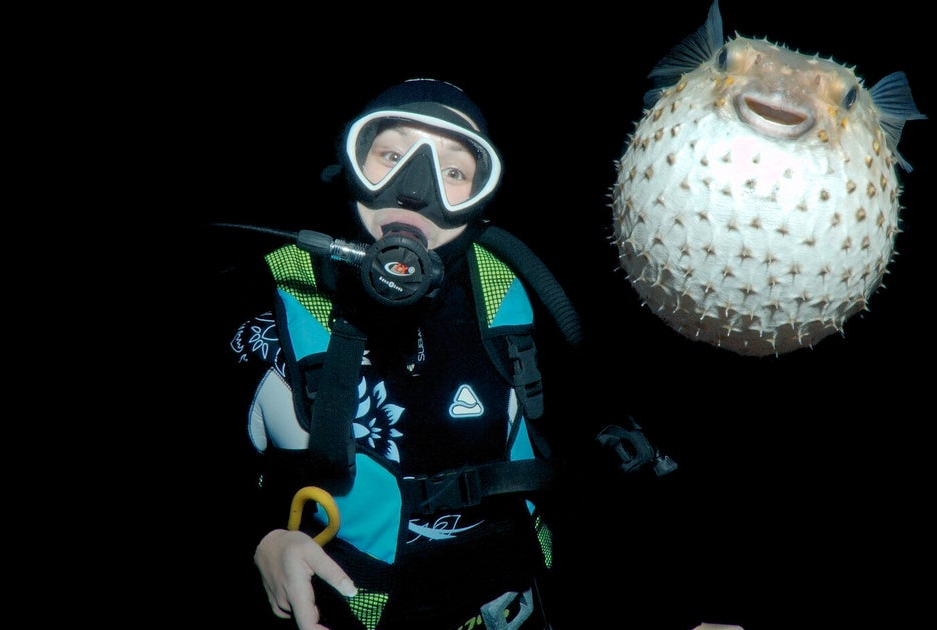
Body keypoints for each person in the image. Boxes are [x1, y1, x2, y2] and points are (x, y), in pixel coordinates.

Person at [210, 78, 744, 630]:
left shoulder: (514, 294)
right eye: (391, 154)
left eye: (455, 173)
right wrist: (262, 540)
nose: (415, 191)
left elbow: (611, 451)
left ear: (480, 198)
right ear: (351, 163)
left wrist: (682, 606)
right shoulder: (267, 297)